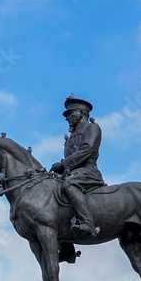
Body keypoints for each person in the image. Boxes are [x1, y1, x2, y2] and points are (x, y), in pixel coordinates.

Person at [50, 94, 107, 237]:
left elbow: (87, 150)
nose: (67, 118)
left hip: (88, 171)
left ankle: (87, 224)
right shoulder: (71, 136)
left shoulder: (92, 127)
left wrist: (63, 165)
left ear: (81, 113)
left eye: (70, 114)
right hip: (72, 173)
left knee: (69, 185)